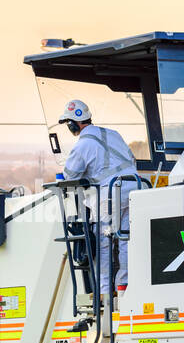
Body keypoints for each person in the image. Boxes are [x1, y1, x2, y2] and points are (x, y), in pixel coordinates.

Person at [58, 99, 138, 295]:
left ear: (72, 124)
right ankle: (124, 287)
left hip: (110, 196)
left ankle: (103, 292)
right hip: (135, 189)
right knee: (126, 239)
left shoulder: (83, 144)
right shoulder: (113, 134)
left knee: (104, 244)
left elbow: (70, 175)